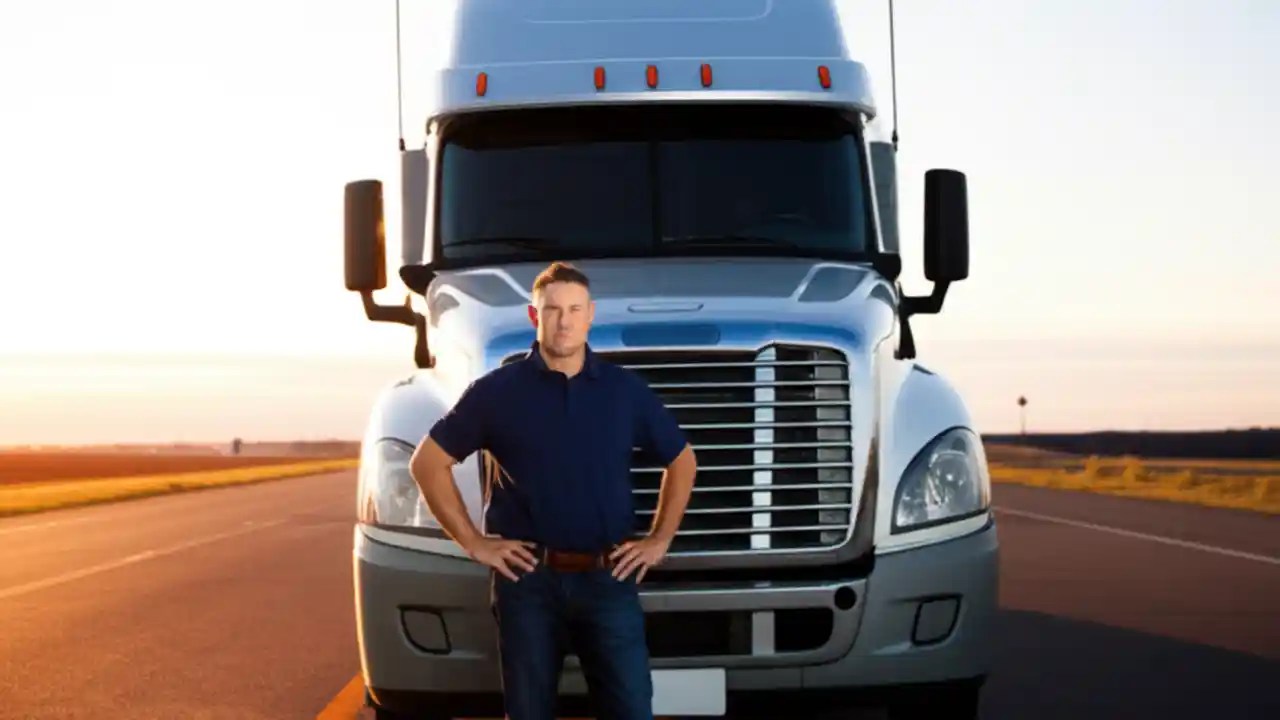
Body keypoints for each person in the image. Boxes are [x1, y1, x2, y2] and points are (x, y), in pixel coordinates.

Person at [409, 261, 698, 720]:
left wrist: (660, 539)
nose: (564, 321)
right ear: (534, 316)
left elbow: (682, 460)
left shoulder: (624, 391)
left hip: (609, 579)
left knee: (630, 710)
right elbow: (427, 463)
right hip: (528, 585)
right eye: (553, 310)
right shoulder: (495, 392)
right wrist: (474, 543)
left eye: (574, 309)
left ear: (590, 315)